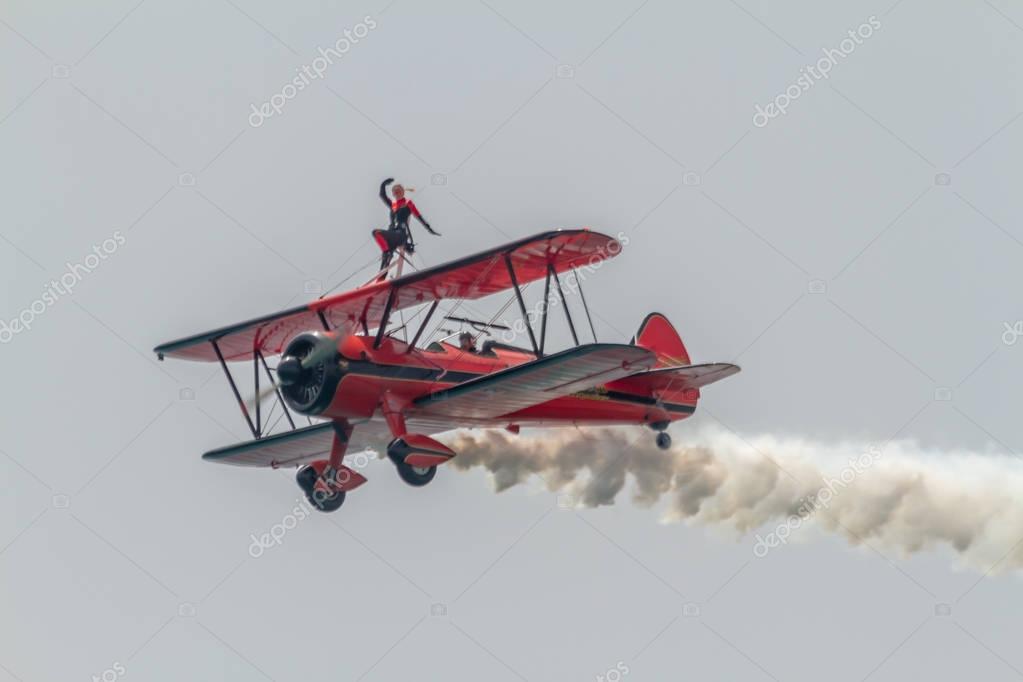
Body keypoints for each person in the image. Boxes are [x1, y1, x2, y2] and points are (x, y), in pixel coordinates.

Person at [374, 178, 440, 271]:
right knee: (384, 260)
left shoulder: (408, 203)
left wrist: (430, 229)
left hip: (401, 234)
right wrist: (383, 184)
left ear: (403, 192)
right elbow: (382, 195)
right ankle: (382, 278)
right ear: (393, 194)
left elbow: (419, 217)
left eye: (399, 190)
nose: (396, 192)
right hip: (392, 235)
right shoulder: (392, 205)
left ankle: (389, 252)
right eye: (394, 191)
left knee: (378, 234)